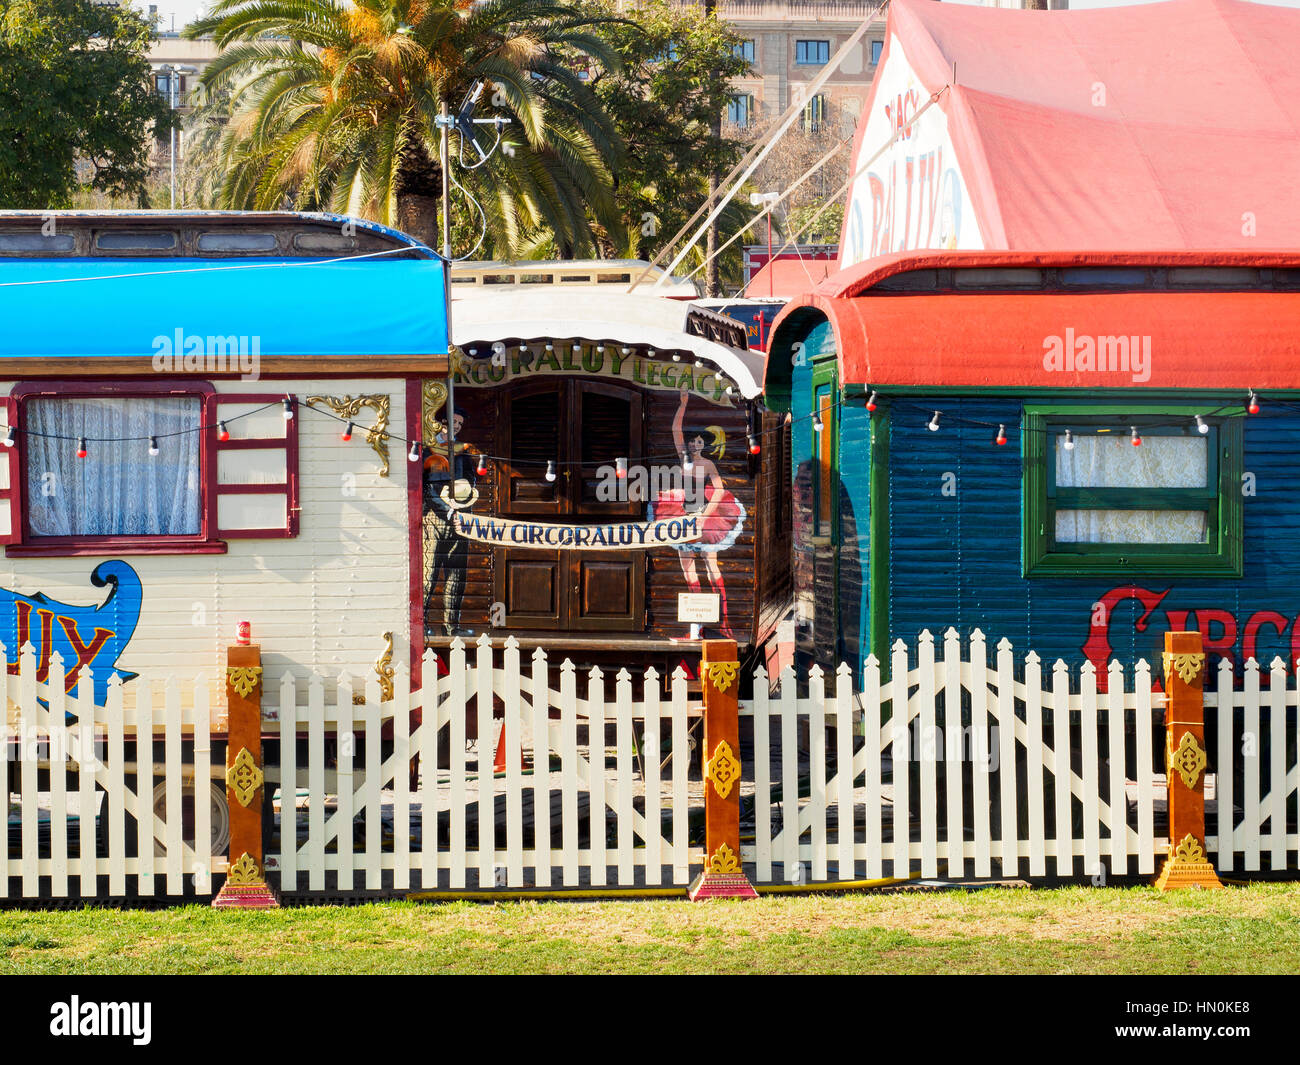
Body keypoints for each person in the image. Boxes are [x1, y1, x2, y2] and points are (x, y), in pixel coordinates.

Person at [648, 384, 746, 638]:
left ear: (704, 444)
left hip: (704, 515)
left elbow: (720, 489)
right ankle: (697, 627)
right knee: (687, 566)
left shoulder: (709, 464)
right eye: (693, 440)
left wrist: (705, 514)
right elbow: (675, 429)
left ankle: (723, 623)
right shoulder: (684, 458)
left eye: (700, 441)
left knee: (711, 565)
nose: (696, 444)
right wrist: (683, 404)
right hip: (682, 513)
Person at [422, 411, 480, 636]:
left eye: (460, 423)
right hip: (436, 517)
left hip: (461, 517)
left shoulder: (462, 451)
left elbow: (472, 477)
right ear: (443, 421)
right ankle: (422, 624)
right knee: (430, 573)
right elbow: (426, 487)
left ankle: (452, 626)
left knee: (457, 574)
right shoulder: (428, 449)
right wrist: (447, 510)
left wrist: (465, 495)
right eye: (454, 421)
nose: (457, 426)